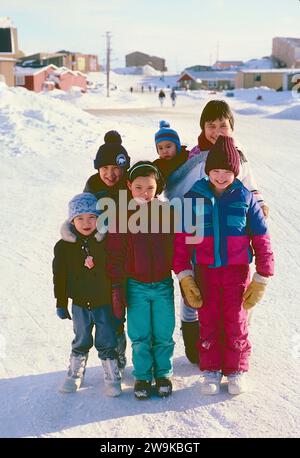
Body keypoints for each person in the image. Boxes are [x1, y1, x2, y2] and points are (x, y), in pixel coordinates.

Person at [164, 99, 269, 365]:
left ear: (231, 127)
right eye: (211, 126)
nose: (217, 131)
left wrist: (259, 204)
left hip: (230, 234)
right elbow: (181, 185)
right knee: (194, 291)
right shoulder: (195, 155)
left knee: (236, 299)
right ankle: (193, 340)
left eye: (223, 125)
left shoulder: (238, 155)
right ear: (203, 127)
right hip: (198, 230)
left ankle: (235, 345)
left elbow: (249, 186)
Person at [173, 136, 274, 395]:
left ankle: (236, 368)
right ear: (208, 171)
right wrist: (184, 274)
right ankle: (211, 370)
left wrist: (262, 275)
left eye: (227, 171)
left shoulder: (245, 197)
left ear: (235, 171)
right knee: (208, 320)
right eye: (216, 170)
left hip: (237, 272)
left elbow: (261, 237)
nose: (221, 176)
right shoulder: (193, 197)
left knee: (235, 320)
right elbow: (182, 240)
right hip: (205, 271)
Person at [106, 162, 175, 400]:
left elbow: (178, 248)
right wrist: (116, 287)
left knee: (164, 332)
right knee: (140, 334)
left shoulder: (167, 213)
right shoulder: (121, 217)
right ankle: (143, 376)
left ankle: (163, 374)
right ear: (129, 186)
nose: (144, 192)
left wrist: (187, 276)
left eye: (150, 187)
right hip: (136, 285)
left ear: (157, 188)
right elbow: (115, 255)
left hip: (163, 284)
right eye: (138, 187)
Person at [52, 192, 122, 396]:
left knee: (106, 338)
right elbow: (60, 276)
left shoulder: (105, 242)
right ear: (72, 220)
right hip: (80, 304)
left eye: (92, 217)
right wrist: (61, 302)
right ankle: (75, 372)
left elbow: (115, 268)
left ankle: (111, 373)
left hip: (104, 303)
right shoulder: (64, 247)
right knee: (81, 338)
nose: (86, 222)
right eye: (80, 218)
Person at [83, 131, 131, 375]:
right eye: (105, 168)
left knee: (129, 304)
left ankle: (134, 350)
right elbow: (82, 219)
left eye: (115, 168)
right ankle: (117, 352)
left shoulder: (130, 184)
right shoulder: (92, 186)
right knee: (111, 309)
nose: (110, 174)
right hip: (103, 258)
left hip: (130, 256)